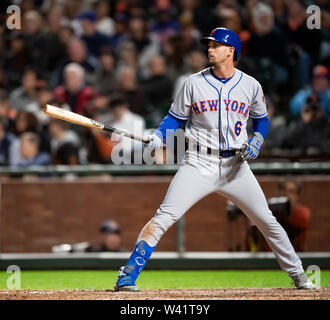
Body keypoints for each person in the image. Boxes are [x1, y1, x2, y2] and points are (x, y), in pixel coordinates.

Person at [114, 27, 315, 291]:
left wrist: (257, 140)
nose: (209, 49)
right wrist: (160, 137)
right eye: (209, 45)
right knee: (164, 216)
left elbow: (262, 120)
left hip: (236, 166)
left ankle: (299, 275)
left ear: (231, 51)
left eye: (216, 45)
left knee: (266, 220)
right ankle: (127, 275)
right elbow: (175, 118)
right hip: (199, 163)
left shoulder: (250, 85)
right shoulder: (193, 83)